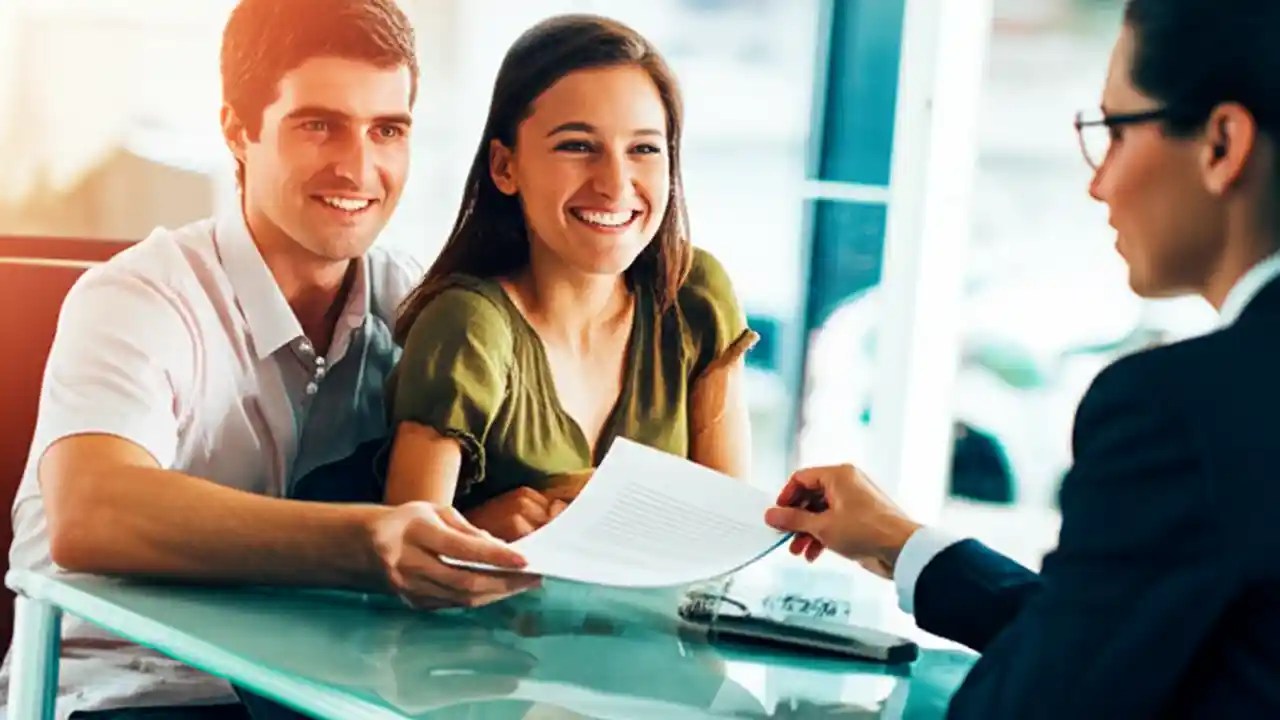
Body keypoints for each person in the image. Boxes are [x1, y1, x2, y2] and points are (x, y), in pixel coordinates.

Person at [1, 1, 537, 717]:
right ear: (237, 131)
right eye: (319, 125)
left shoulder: (415, 303)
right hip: (133, 694)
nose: (359, 167)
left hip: (326, 693)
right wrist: (370, 542)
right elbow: (92, 509)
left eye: (388, 131)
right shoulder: (137, 296)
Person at [765, 0, 1280, 717]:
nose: (1098, 184)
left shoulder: (1176, 411)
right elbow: (1119, 643)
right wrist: (901, 545)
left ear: (1221, 144)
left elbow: (1039, 700)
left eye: (1114, 132)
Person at [296, 14, 757, 541]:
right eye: (577, 146)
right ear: (504, 167)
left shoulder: (693, 292)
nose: (615, 183)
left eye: (644, 149)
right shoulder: (467, 325)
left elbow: (731, 531)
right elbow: (407, 549)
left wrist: (622, 511)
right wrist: (478, 530)